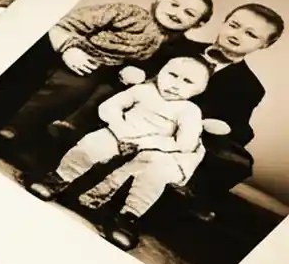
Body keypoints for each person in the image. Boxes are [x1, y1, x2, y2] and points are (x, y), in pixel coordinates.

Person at [62, 3, 285, 222]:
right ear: (224, 22)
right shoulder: (180, 48)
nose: (237, 34)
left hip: (184, 129)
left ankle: (192, 195)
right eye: (234, 25)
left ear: (266, 44)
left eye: (251, 35)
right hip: (142, 112)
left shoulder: (249, 86)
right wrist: (133, 73)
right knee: (109, 89)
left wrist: (222, 126)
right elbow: (143, 68)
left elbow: (239, 126)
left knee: (239, 160)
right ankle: (70, 131)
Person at [0, 0, 214, 158]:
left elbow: (165, 76)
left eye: (189, 13)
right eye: (174, 4)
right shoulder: (128, 13)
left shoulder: (178, 49)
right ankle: (14, 128)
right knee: (74, 84)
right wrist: (70, 48)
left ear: (198, 23)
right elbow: (67, 23)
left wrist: (142, 78)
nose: (177, 13)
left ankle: (52, 139)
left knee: (107, 97)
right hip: (81, 56)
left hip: (114, 79)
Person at [27, 56, 212, 250]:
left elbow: (185, 142)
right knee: (92, 144)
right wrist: (119, 128)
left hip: (154, 148)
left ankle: (128, 216)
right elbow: (109, 106)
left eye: (187, 82)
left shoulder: (189, 110)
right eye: (172, 75)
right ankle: (58, 179)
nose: (175, 84)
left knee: (153, 175)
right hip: (121, 132)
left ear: (199, 90)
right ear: (161, 72)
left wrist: (145, 143)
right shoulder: (143, 91)